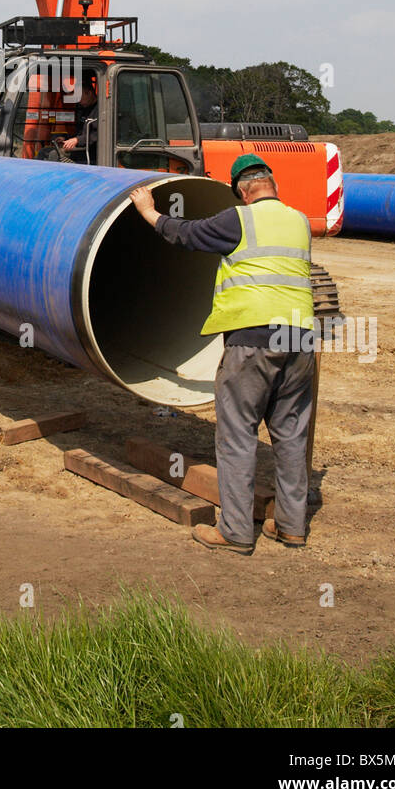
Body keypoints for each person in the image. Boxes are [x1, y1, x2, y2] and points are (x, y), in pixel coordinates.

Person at [131, 154, 315, 555]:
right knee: (291, 435)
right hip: (300, 340)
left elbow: (185, 233)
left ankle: (234, 532)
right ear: (273, 185)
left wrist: (148, 212)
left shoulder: (239, 218)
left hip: (254, 338)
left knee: (237, 435)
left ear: (242, 191)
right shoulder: (300, 221)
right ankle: (291, 526)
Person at [61, 73, 98, 164]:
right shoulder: (84, 110)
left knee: (54, 155)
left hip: (91, 154)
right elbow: (80, 133)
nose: (78, 100)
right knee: (46, 152)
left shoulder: (100, 110)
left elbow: (98, 135)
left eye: (80, 97)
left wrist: (77, 140)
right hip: (80, 150)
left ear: (89, 93)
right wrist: (66, 139)